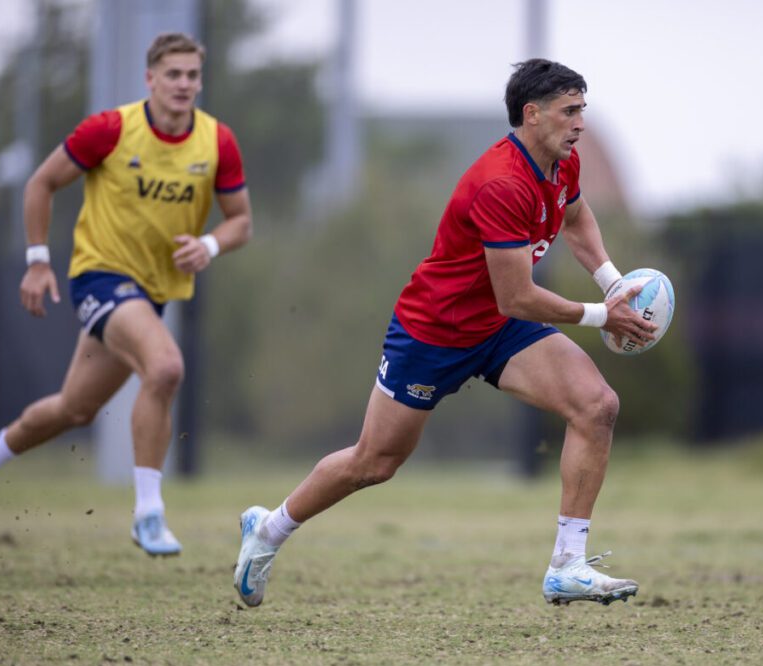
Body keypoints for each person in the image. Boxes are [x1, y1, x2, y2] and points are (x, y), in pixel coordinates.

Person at [233, 58, 655, 608]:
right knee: (374, 463)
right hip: (435, 331)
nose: (579, 123)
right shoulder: (502, 184)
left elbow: (576, 222)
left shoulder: (563, 164)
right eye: (568, 111)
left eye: (583, 110)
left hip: (500, 330)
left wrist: (614, 283)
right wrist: (604, 315)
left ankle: (567, 565)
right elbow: (518, 296)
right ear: (532, 115)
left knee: (596, 405)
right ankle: (268, 532)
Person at [0, 33, 252, 556]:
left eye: (191, 75)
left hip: (150, 292)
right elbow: (40, 183)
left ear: (200, 82)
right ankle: (149, 514)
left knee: (74, 408)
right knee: (166, 367)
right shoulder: (111, 129)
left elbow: (241, 222)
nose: (183, 84)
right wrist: (38, 262)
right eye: (172, 74)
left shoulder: (216, 141)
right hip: (100, 276)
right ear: (150, 79)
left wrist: (208, 244)